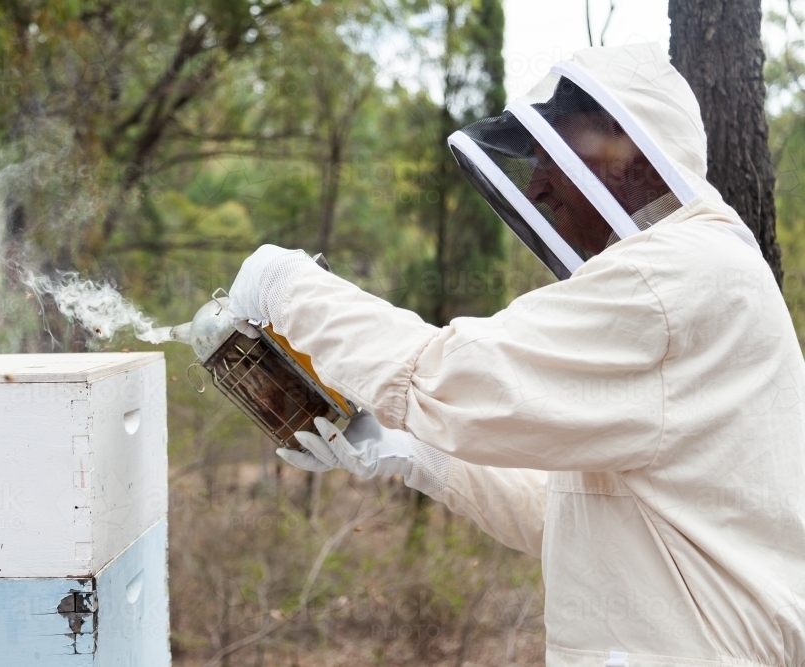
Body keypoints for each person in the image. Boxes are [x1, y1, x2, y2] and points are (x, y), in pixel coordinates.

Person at [227, 44, 805, 666]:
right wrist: (408, 452)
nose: (537, 183)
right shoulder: (692, 279)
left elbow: (454, 376)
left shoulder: (675, 279)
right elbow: (563, 518)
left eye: (552, 149)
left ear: (622, 146)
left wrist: (289, 289)